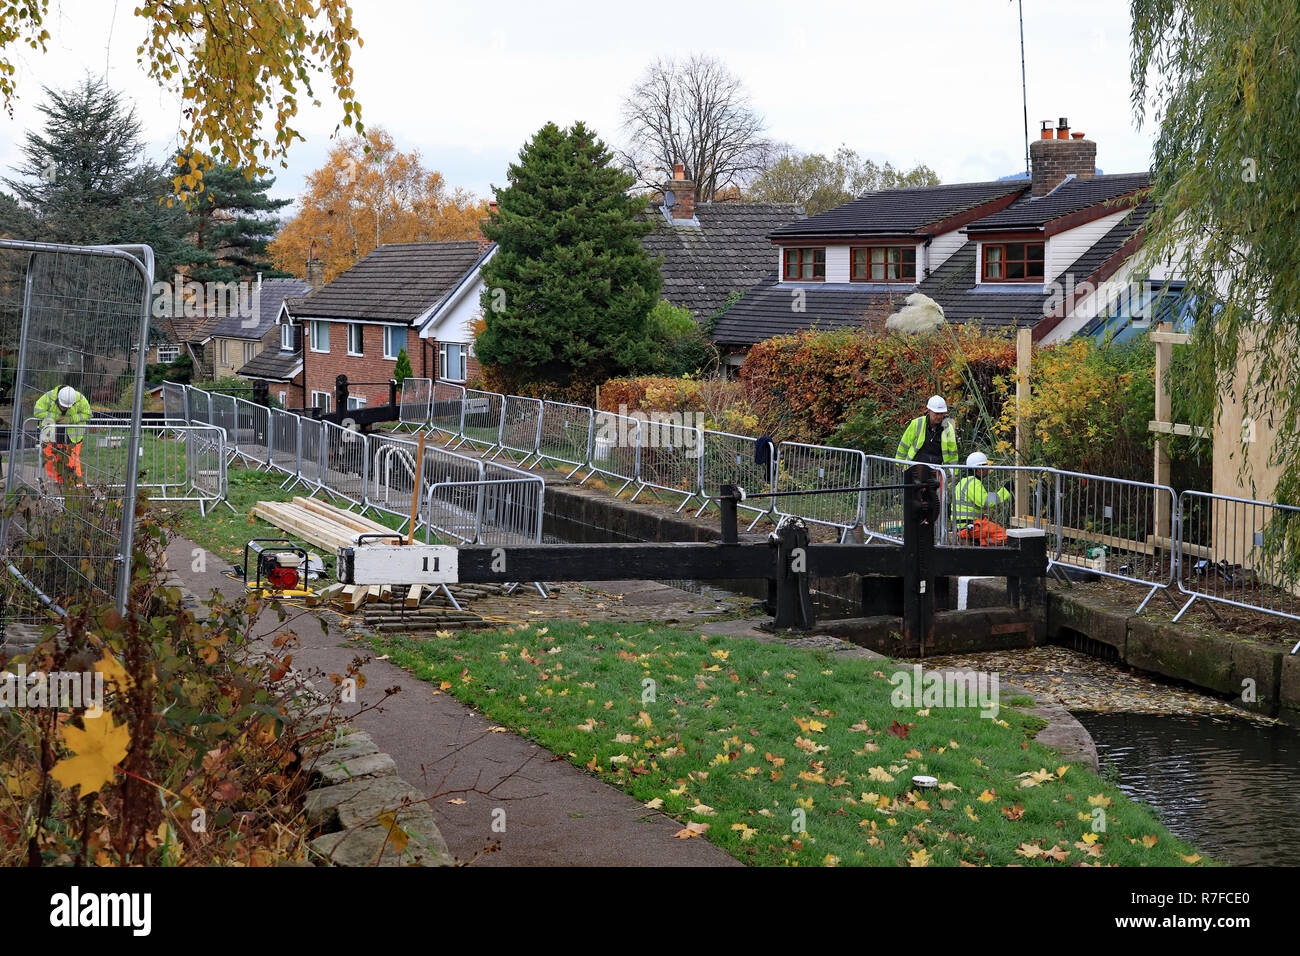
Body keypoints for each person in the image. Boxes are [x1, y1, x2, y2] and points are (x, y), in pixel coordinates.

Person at [33, 385, 91, 485]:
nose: (64, 408)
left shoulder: (80, 399)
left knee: (72, 461)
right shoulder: (49, 397)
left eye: (67, 407)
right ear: (58, 399)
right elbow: (37, 411)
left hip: (73, 437)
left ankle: (76, 486)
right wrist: (56, 417)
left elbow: (88, 414)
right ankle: (55, 483)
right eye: (63, 406)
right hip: (50, 436)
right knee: (51, 459)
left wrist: (71, 419)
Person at [953, 451, 1011, 545]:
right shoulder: (973, 483)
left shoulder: (963, 482)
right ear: (979, 469)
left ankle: (980, 545)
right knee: (1005, 537)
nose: (987, 470)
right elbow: (987, 501)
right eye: (985, 467)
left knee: (988, 537)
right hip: (971, 526)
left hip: (965, 525)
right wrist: (1006, 490)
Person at [895, 394, 958, 466]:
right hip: (914, 468)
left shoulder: (948, 428)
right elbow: (904, 445)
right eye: (937, 413)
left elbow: (952, 453)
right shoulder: (917, 423)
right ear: (929, 411)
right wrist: (899, 464)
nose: (939, 416)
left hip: (937, 471)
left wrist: (954, 473)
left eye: (941, 413)